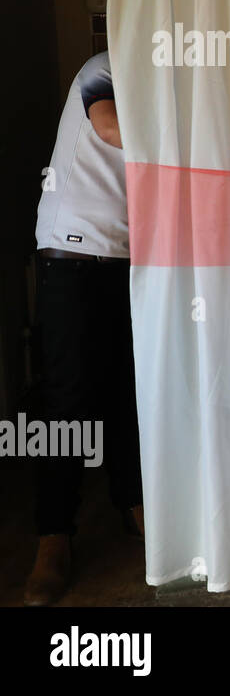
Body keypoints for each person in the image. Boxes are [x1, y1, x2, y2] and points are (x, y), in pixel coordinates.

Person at [25, 51, 142, 606]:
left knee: (130, 390)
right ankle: (54, 536)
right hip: (71, 256)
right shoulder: (106, 65)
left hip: (131, 259)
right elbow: (111, 126)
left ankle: (134, 506)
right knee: (67, 401)